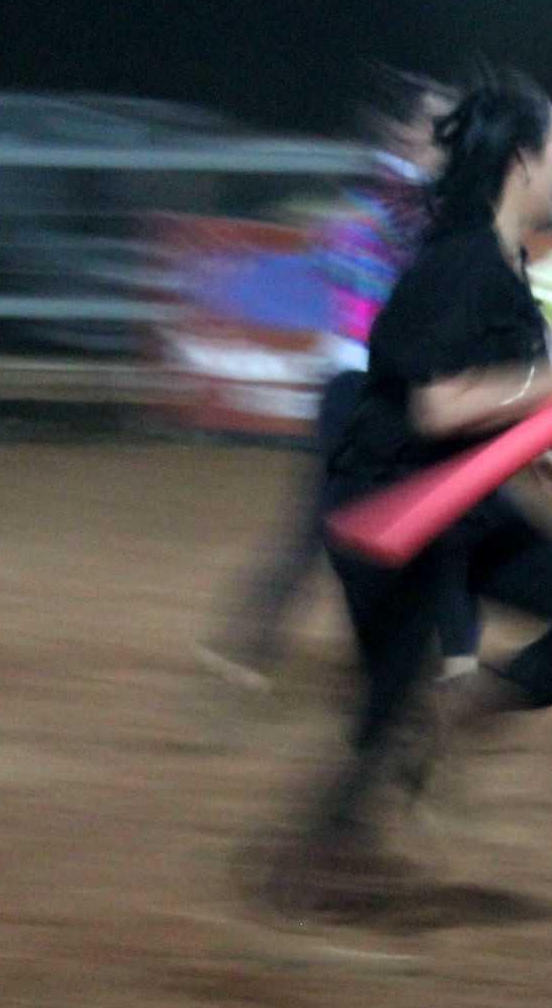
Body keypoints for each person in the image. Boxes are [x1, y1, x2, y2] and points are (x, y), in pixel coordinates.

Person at [262, 68, 552, 912]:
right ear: (520, 161)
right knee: (384, 715)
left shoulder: (500, 263)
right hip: (384, 504)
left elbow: (465, 394)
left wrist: (522, 440)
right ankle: (308, 873)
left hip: (451, 498)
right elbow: (437, 402)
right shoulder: (466, 261)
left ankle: (459, 713)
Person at [199, 69, 484, 693]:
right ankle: (424, 664)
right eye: (440, 122)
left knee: (341, 527)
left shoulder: (417, 200)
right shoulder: (386, 209)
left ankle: (254, 654)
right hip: (369, 388)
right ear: (408, 132)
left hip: (380, 382)